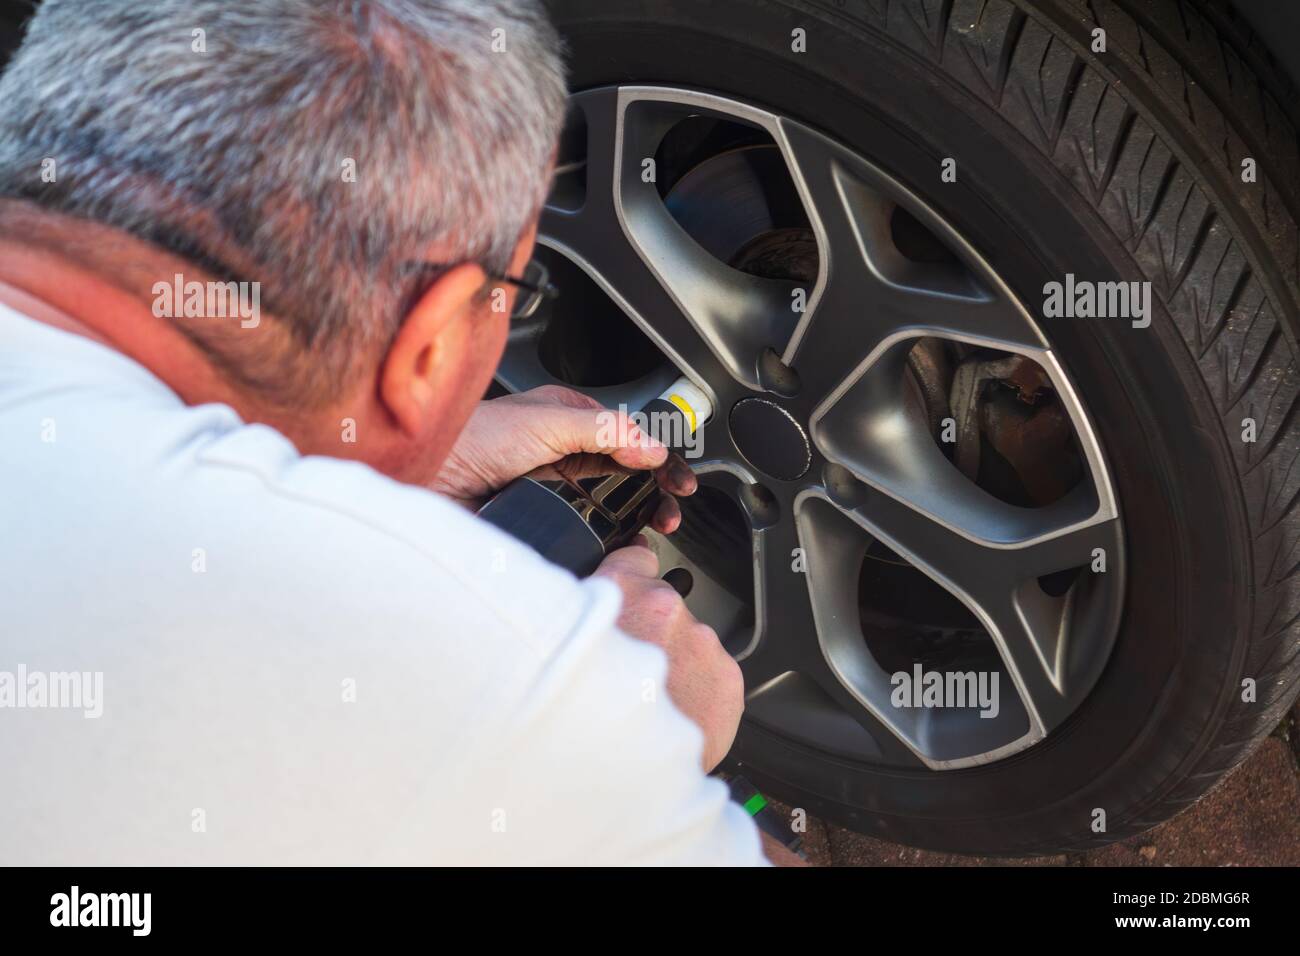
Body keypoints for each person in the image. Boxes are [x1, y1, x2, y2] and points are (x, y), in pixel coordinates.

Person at [0, 0, 785, 864]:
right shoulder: (490, 690)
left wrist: (375, 470)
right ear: (432, 342)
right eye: (513, 294)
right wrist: (644, 750)